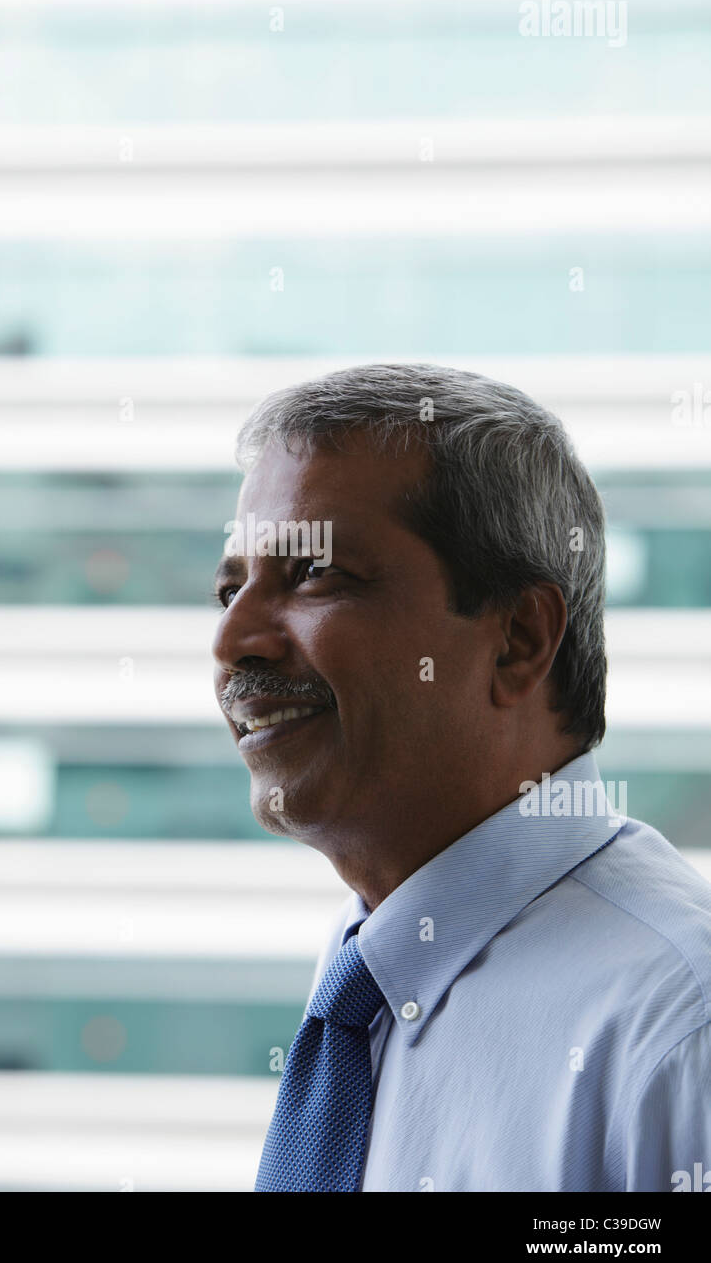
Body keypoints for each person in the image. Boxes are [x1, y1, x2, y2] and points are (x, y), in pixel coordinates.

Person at [211, 362, 711, 1192]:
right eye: (229, 589)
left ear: (517, 639)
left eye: (314, 575)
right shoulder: (369, 967)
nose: (234, 640)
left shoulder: (677, 1031)